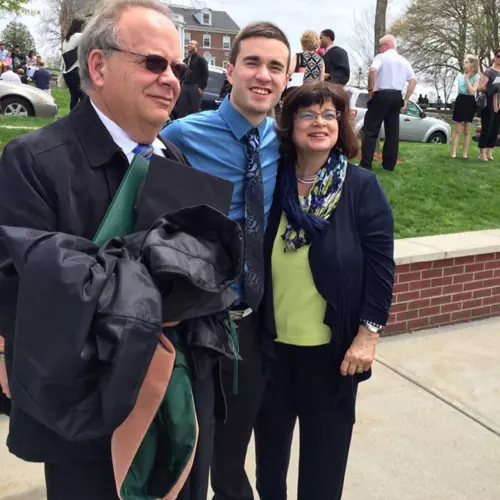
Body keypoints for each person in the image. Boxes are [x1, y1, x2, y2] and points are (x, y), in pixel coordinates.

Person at [0, 1, 226, 498]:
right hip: (90, 418)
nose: (171, 79)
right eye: (153, 62)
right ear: (97, 66)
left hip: (180, 400)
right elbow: (30, 297)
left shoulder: (176, 157)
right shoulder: (34, 163)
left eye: (178, 67)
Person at [162, 21, 290, 500]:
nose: (263, 75)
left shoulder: (286, 142)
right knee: (186, 456)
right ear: (230, 70)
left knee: (232, 465)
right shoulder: (182, 136)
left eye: (275, 66)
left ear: (285, 78)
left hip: (252, 326)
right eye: (253, 62)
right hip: (193, 326)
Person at [254, 81, 394, 500]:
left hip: (332, 357)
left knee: (323, 471)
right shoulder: (272, 183)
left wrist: (368, 334)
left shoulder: (360, 187)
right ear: (289, 123)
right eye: (307, 114)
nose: (320, 123)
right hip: (272, 352)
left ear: (342, 124)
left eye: (330, 114)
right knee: (269, 470)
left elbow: (381, 268)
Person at [359, 34, 417, 172]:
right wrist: (406, 99)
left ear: (386, 45)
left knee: (371, 130)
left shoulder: (381, 58)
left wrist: (370, 88)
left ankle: (366, 164)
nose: (379, 49)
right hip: (397, 96)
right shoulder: (404, 61)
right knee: (392, 132)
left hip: (381, 95)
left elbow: (372, 70)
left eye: (380, 46)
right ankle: (389, 165)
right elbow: (413, 81)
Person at [450, 54, 481, 159]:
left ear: (472, 64)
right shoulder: (459, 76)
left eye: (467, 62)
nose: (465, 64)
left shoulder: (477, 77)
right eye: (464, 62)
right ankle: (453, 152)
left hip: (470, 101)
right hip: (460, 100)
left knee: (467, 131)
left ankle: (465, 154)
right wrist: (465, 77)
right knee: (457, 130)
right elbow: (461, 90)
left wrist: (467, 79)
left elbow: (472, 91)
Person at [174, 40, 208, 118]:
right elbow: (180, 74)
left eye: (192, 44)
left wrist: (201, 88)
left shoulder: (201, 60)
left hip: (195, 87)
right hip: (184, 86)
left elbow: (205, 74)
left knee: (195, 110)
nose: (189, 45)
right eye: (189, 44)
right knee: (181, 109)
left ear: (196, 47)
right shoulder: (185, 60)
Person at [478, 48, 500, 161]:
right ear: (495, 57)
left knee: (495, 129)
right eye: (498, 56)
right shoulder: (489, 72)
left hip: (499, 102)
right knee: (487, 127)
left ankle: (489, 151)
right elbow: (480, 87)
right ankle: (482, 152)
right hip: (489, 101)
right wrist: (491, 87)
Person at [62, 18, 85, 110]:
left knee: (74, 97)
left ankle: (73, 117)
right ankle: (82, 116)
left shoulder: (65, 40)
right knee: (84, 97)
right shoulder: (79, 36)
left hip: (66, 73)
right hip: (75, 71)